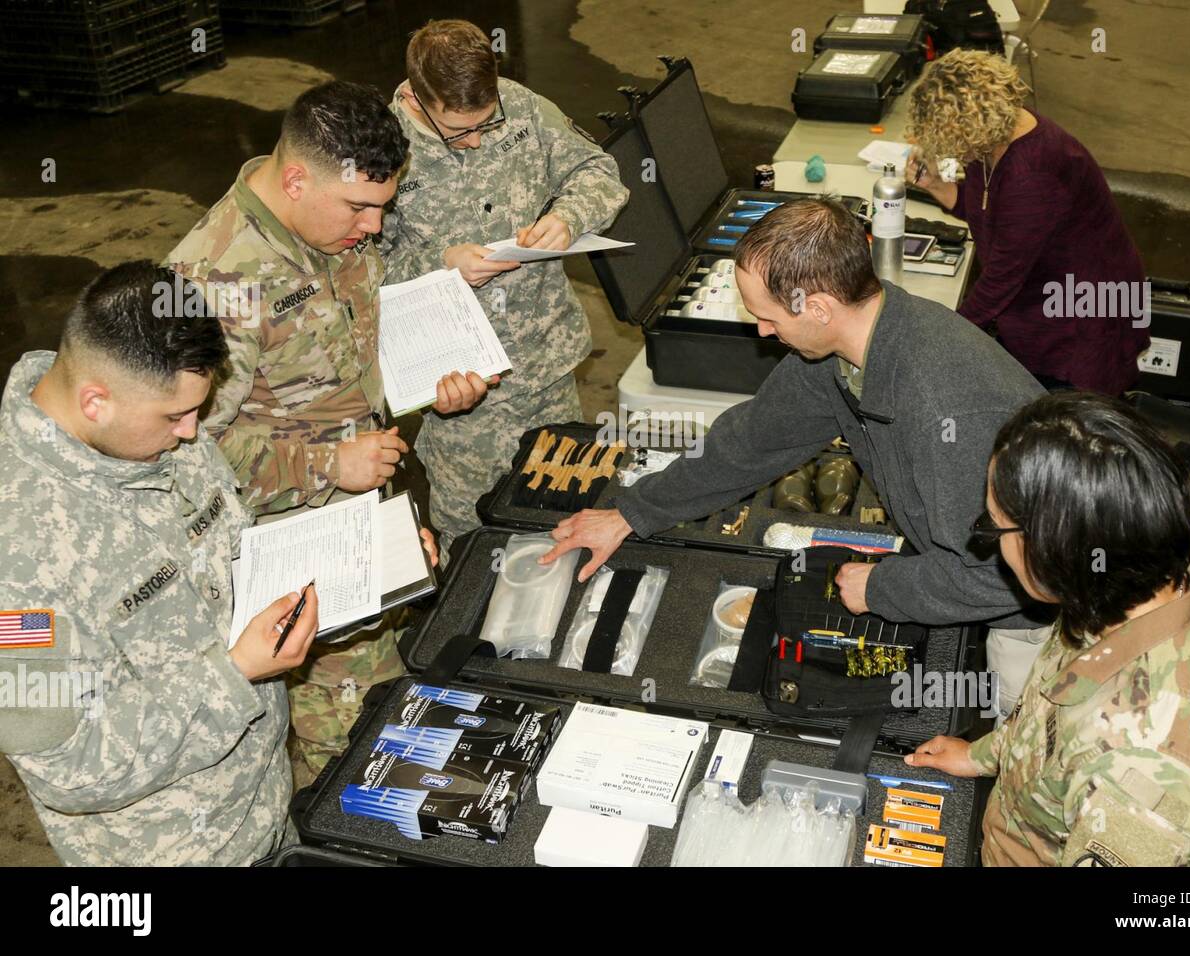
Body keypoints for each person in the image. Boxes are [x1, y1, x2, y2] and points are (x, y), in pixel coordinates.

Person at [544, 198, 1050, 640]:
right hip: (955, 570)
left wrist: (882, 588)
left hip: (1025, 619)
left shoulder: (948, 414)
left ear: (820, 308)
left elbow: (997, 576)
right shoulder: (843, 350)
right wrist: (635, 512)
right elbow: (754, 439)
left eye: (770, 317)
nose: (763, 332)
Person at [167, 81, 458, 787]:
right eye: (360, 207)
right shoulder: (212, 283)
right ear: (296, 178)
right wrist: (329, 465)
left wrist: (432, 374)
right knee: (364, 756)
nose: (376, 228)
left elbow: (345, 351)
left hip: (362, 519)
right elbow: (185, 459)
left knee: (388, 709)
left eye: (382, 207)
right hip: (289, 551)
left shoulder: (330, 226)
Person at [0, 263, 320, 865]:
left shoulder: (159, 423)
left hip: (267, 808)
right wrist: (236, 674)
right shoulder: (15, 554)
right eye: (173, 418)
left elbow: (230, 547)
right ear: (95, 401)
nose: (193, 432)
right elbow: (69, 767)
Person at [906, 392, 1190, 866]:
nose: (993, 547)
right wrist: (988, 755)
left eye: (996, 528)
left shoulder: (1143, 773)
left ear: (1056, 548)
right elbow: (1057, 705)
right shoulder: (1154, 575)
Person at [381, 18, 629, 562]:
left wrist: (567, 216)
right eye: (457, 132)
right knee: (474, 536)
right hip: (462, 392)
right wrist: (438, 262)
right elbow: (354, 269)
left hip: (546, 366)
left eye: (485, 125)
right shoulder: (381, 144)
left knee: (561, 512)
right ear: (419, 98)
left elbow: (598, 170)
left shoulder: (521, 106)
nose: (473, 141)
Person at [906, 50, 1149, 395]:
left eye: (952, 142)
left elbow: (1001, 279)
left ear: (971, 128)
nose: (955, 153)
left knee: (1064, 426)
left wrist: (939, 340)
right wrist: (939, 188)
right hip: (1045, 298)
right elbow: (992, 211)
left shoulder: (1032, 172)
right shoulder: (994, 136)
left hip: (1081, 314)